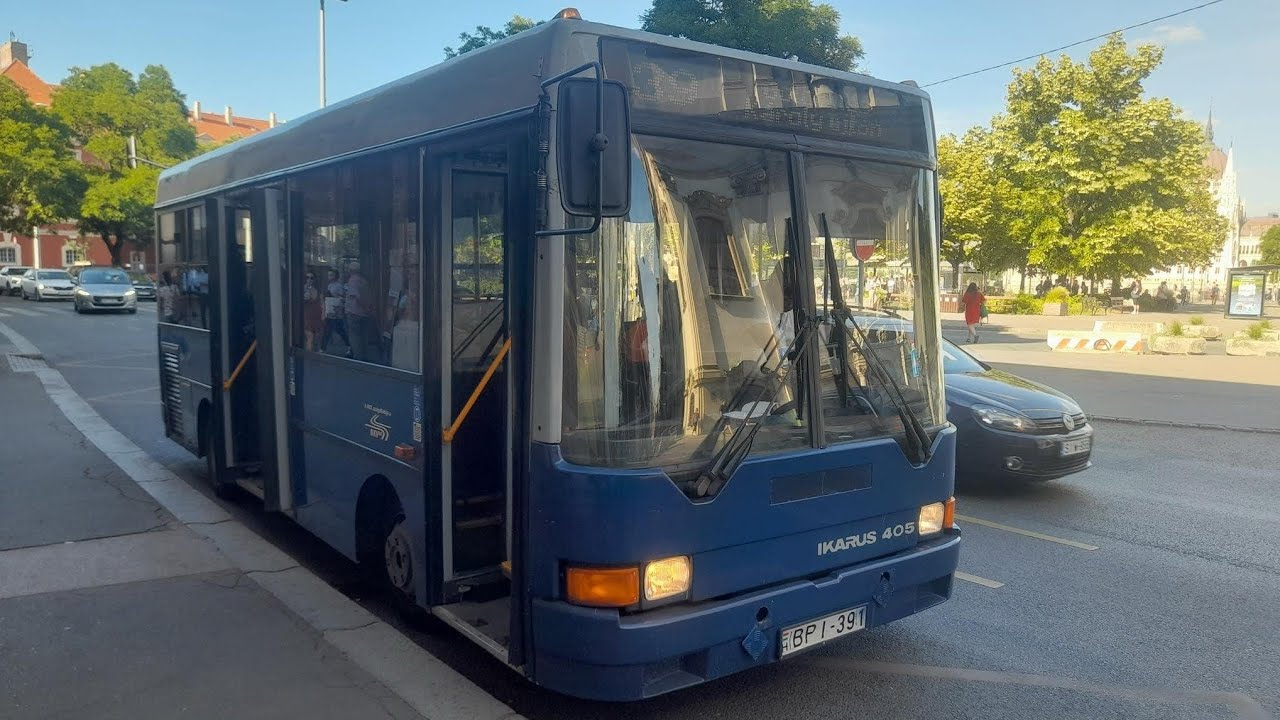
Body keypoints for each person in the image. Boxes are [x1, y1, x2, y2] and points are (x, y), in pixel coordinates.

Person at [344, 268, 374, 362]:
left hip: (354, 312)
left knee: (354, 336)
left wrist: (364, 306)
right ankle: (364, 356)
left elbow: (356, 296)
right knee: (364, 335)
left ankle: (358, 358)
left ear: (351, 271)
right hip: (365, 313)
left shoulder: (353, 280)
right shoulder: (364, 281)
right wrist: (368, 308)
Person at [320, 269, 349, 354]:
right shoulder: (329, 285)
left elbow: (341, 297)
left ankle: (349, 345)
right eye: (329, 275)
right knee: (331, 329)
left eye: (331, 275)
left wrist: (334, 297)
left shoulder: (339, 286)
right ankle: (323, 347)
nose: (330, 277)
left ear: (336, 276)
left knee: (337, 329)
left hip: (336, 311)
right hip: (330, 310)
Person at [302, 270, 324, 351]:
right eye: (307, 278)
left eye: (311, 278)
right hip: (307, 315)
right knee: (309, 336)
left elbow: (322, 302)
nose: (309, 280)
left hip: (317, 315)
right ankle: (309, 355)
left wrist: (323, 314)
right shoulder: (302, 289)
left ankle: (314, 352)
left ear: (314, 279)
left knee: (317, 336)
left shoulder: (317, 289)